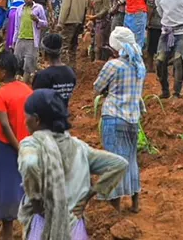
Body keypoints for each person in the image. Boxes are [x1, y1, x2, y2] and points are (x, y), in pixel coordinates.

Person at [17, 89, 127, 240]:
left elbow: (29, 164)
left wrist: (36, 200)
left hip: (44, 226)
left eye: (26, 116)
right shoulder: (78, 147)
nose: (24, 121)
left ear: (36, 119)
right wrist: (89, 195)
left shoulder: (32, 144)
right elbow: (119, 163)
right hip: (74, 227)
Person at [94, 26, 145, 212]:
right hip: (133, 118)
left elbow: (97, 87)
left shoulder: (113, 65)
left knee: (114, 161)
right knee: (131, 159)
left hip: (114, 116)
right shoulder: (139, 65)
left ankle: (114, 205)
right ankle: (135, 202)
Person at [0, 52, 32, 240]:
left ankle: (7, 232)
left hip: (7, 146)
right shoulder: (26, 89)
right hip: (26, 143)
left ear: (4, 71)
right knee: (20, 186)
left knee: (4, 188)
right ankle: (11, 230)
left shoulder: (0, 94)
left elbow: (5, 125)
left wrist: (17, 147)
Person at [6, 0, 47, 82]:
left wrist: (37, 20)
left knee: (28, 64)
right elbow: (16, 26)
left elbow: (45, 23)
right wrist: (14, 41)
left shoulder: (38, 8)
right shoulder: (19, 9)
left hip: (32, 40)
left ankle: (24, 84)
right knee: (17, 61)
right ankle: (16, 83)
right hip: (21, 38)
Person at [32, 33, 77, 103]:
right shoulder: (70, 73)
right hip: (63, 113)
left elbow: (36, 102)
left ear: (45, 53)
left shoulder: (42, 76)